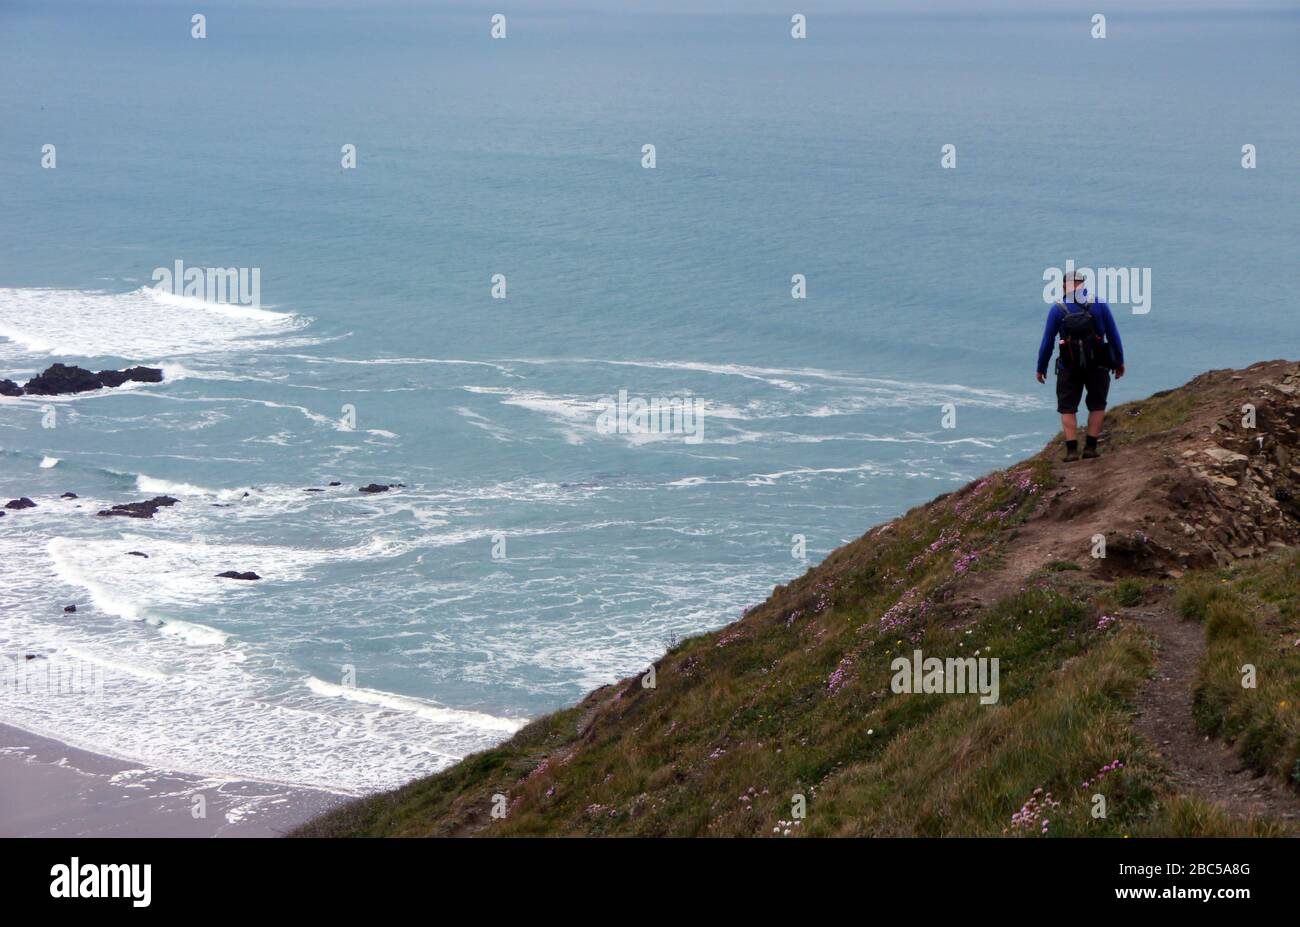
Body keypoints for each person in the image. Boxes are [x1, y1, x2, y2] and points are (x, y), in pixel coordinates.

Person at [1035, 270, 1125, 461]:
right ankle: (1091, 448)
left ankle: (1071, 451)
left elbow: (1047, 342)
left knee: (1067, 407)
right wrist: (1119, 362)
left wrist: (1041, 368)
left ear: (1063, 286)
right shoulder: (1099, 304)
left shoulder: (1057, 309)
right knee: (1097, 405)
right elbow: (1113, 335)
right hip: (1098, 366)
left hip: (1069, 367)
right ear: (1083, 284)